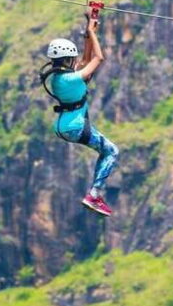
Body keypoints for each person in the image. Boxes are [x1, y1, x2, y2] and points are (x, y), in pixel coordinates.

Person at [40, 13, 119, 216]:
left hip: (65, 126)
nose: (74, 60)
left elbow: (85, 59)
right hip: (75, 126)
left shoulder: (59, 77)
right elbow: (97, 58)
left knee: (107, 151)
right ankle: (94, 195)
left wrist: (88, 31)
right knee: (111, 152)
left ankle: (94, 194)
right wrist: (92, 33)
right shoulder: (71, 79)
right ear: (67, 59)